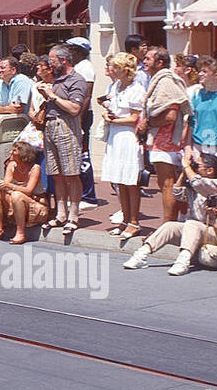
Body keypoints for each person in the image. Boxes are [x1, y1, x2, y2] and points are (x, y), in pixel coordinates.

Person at [124, 150, 217, 276]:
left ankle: (183, 261)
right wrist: (184, 173)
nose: (195, 169)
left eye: (198, 166)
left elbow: (198, 183)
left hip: (215, 233)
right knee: (170, 226)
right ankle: (142, 254)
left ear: (210, 170)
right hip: (196, 231)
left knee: (192, 224)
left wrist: (185, 165)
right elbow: (178, 193)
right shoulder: (194, 186)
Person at [137, 47, 191, 227]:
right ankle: (179, 220)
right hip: (162, 139)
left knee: (167, 184)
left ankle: (167, 226)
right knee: (171, 182)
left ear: (160, 63)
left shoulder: (166, 81)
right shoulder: (159, 80)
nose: (144, 61)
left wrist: (148, 123)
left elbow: (170, 115)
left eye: (148, 58)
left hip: (166, 140)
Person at [37, 44, 88, 232]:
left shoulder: (77, 80)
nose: (50, 65)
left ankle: (74, 216)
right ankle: (61, 214)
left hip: (66, 126)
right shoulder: (57, 79)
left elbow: (75, 109)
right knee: (56, 174)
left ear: (64, 60)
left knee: (71, 174)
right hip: (50, 126)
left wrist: (52, 96)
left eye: (53, 61)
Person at [99, 52, 146, 240]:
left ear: (126, 70)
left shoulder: (137, 89)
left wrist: (115, 120)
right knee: (119, 180)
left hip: (128, 137)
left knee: (130, 181)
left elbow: (135, 118)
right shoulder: (117, 86)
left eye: (116, 67)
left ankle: (134, 221)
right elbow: (114, 107)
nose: (113, 70)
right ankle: (125, 220)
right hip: (115, 136)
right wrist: (108, 114)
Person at [0, 140, 48, 243]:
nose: (11, 152)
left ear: (23, 154)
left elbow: (29, 191)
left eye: (14, 151)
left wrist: (10, 186)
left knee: (17, 195)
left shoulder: (35, 168)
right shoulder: (12, 165)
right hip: (16, 201)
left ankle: (20, 233)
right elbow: (6, 186)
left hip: (35, 204)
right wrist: (1, 185)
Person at [63, 37, 98, 204]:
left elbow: (86, 96)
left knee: (83, 154)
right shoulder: (77, 67)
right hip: (75, 116)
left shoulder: (86, 68)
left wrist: (79, 118)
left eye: (70, 49)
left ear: (77, 51)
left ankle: (88, 195)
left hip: (82, 116)